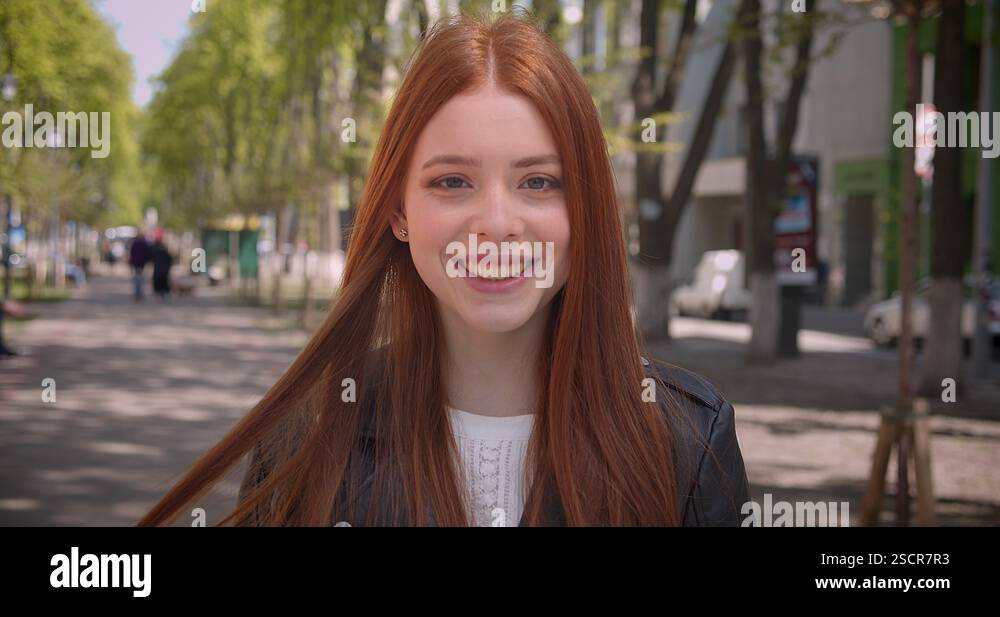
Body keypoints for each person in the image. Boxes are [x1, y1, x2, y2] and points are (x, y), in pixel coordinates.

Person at [139, 10, 749, 527]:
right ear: (398, 211)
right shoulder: (307, 437)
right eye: (452, 182)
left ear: (584, 209)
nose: (497, 222)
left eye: (538, 181)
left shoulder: (686, 442)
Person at [149, 229, 173, 300]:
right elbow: (170, 259)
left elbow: (152, 259)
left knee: (159, 281)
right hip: (164, 270)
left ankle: (160, 293)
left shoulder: (156, 251)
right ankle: (163, 293)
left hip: (158, 269)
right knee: (163, 281)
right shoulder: (165, 252)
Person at [128, 231, 149, 301]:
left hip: (136, 263)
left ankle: (137, 292)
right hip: (141, 263)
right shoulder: (144, 243)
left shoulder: (135, 243)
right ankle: (139, 292)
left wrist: (131, 262)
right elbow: (147, 253)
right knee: (140, 278)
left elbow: (131, 253)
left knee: (137, 277)